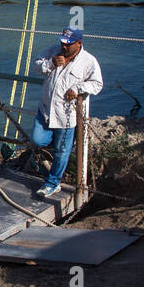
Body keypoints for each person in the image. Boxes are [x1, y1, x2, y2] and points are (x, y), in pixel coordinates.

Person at [30, 27, 103, 198]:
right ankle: (47, 158)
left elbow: (97, 84)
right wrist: (49, 64)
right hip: (46, 111)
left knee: (62, 151)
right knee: (37, 140)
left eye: (68, 44)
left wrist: (79, 88)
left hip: (66, 115)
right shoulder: (52, 52)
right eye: (62, 42)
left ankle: (52, 183)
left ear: (78, 43)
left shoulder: (89, 61)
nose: (64, 46)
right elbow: (36, 66)